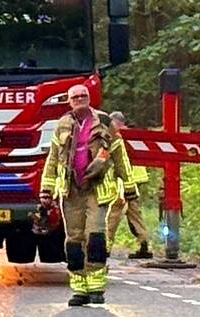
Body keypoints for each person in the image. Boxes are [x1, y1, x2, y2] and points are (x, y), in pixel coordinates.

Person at [38, 83, 133, 305]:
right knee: (74, 240)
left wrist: (129, 188)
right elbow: (52, 159)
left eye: (83, 96)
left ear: (89, 98)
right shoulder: (62, 125)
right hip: (71, 192)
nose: (80, 99)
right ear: (69, 101)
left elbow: (120, 156)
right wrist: (46, 190)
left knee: (96, 237)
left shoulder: (105, 123)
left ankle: (96, 286)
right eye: (75, 97)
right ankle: (79, 288)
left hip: (97, 190)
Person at [105, 111, 153, 260]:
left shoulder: (115, 136)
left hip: (123, 180)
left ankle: (105, 246)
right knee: (134, 213)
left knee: (113, 212)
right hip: (137, 178)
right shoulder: (134, 136)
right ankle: (144, 243)